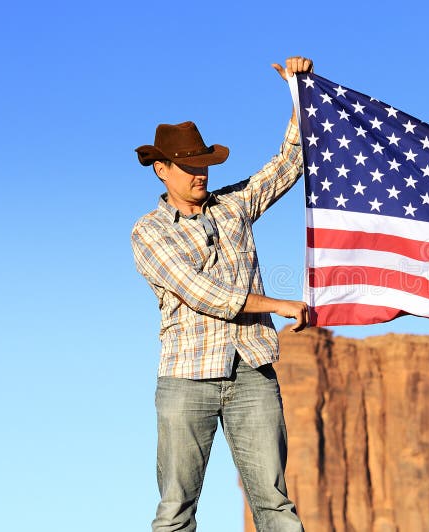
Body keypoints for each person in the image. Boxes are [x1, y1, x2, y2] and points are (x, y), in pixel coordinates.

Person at [131, 56, 313, 532]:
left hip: (252, 370)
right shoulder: (148, 232)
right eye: (188, 166)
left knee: (276, 506)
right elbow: (204, 293)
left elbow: (288, 165)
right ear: (161, 170)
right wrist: (278, 304)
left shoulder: (233, 207)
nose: (200, 174)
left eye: (204, 164)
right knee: (175, 513)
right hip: (186, 379)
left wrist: (298, 93)